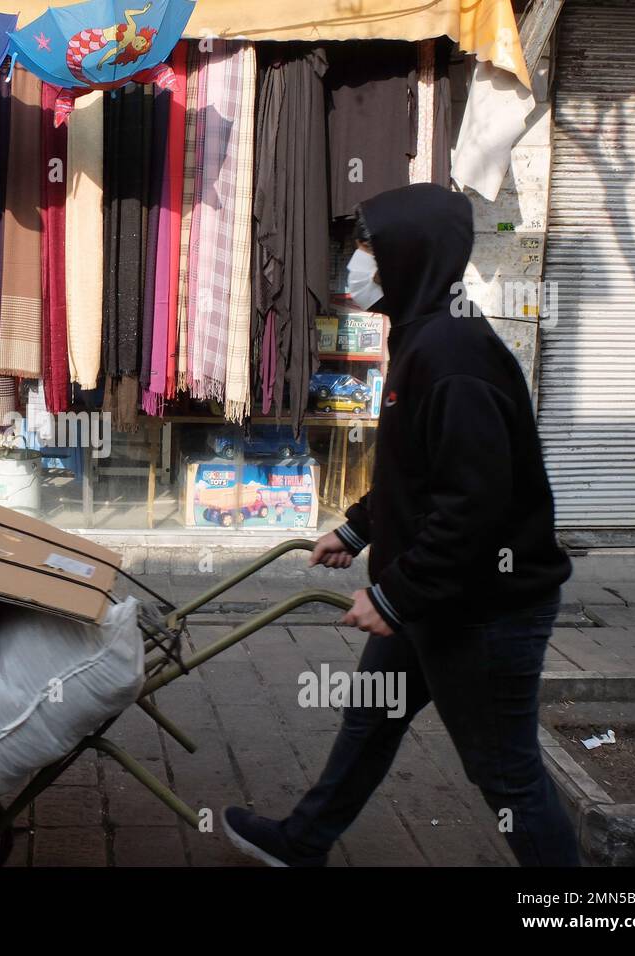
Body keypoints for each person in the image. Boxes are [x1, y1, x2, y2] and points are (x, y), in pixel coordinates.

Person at [223, 183, 579, 867]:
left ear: (410, 254)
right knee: (371, 718)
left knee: (506, 775)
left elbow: (471, 506)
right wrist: (359, 529)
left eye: (369, 250)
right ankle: (302, 843)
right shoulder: (423, 332)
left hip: (483, 610)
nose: (358, 264)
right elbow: (416, 471)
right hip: (436, 596)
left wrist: (394, 597)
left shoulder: (453, 354)